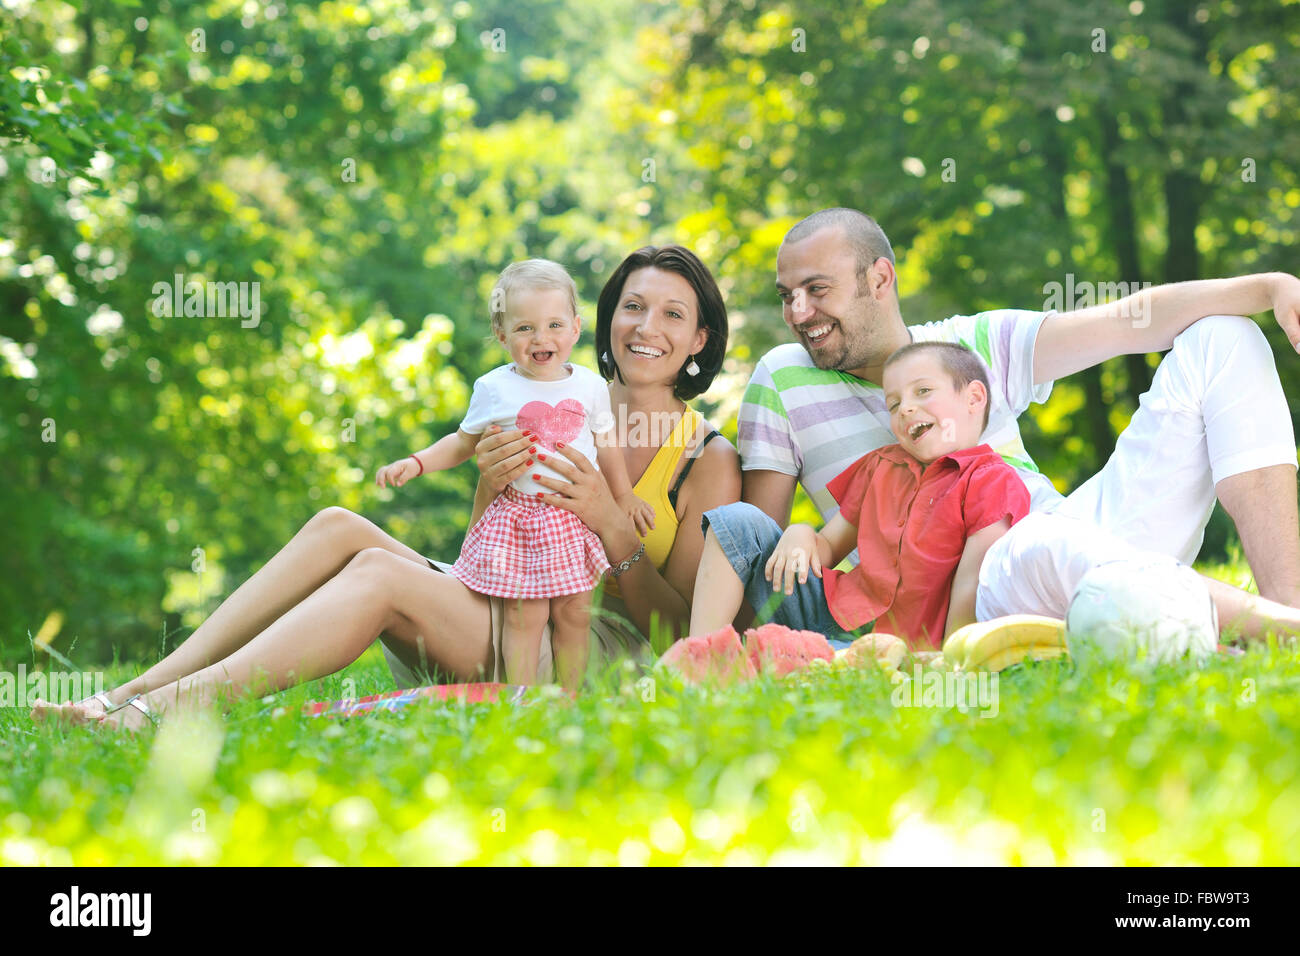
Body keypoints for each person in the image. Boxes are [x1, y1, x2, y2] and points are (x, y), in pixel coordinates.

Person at [31, 245, 740, 730]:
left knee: (377, 572)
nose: (646, 328)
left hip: (591, 654)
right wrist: (489, 484)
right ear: (605, 320)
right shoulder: (555, 400)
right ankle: (126, 693)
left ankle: (169, 711)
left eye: (673, 315)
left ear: (701, 339)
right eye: (633, 307)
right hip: (509, 598)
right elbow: (487, 544)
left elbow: (683, 633)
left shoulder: (704, 458)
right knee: (341, 524)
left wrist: (609, 520)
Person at [738, 206, 1300, 644]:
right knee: (1037, 542)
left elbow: (1133, 322)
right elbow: (759, 548)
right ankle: (1257, 626)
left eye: (817, 290)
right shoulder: (782, 378)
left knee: (1226, 336)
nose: (797, 313)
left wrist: (1270, 286)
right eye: (787, 296)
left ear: (880, 279)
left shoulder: (972, 344)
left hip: (1073, 540)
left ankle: (1287, 614)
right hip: (980, 595)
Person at [373, 259, 653, 690]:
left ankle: (570, 700)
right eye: (525, 329)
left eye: (555, 324)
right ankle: (521, 700)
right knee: (524, 617)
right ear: (502, 336)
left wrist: (625, 496)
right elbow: (463, 442)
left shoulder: (590, 386)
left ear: (576, 329)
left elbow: (606, 444)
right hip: (519, 521)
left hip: (572, 522)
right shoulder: (494, 388)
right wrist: (418, 462)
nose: (541, 338)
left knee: (574, 616)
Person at [690, 341, 1030, 648]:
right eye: (894, 404)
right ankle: (697, 659)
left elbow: (974, 583)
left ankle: (785, 657)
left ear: (973, 397)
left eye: (923, 391)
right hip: (831, 611)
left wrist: (951, 661)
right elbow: (826, 548)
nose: (906, 409)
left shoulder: (993, 482)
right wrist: (800, 533)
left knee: (808, 660)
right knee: (738, 521)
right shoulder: (881, 466)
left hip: (904, 646)